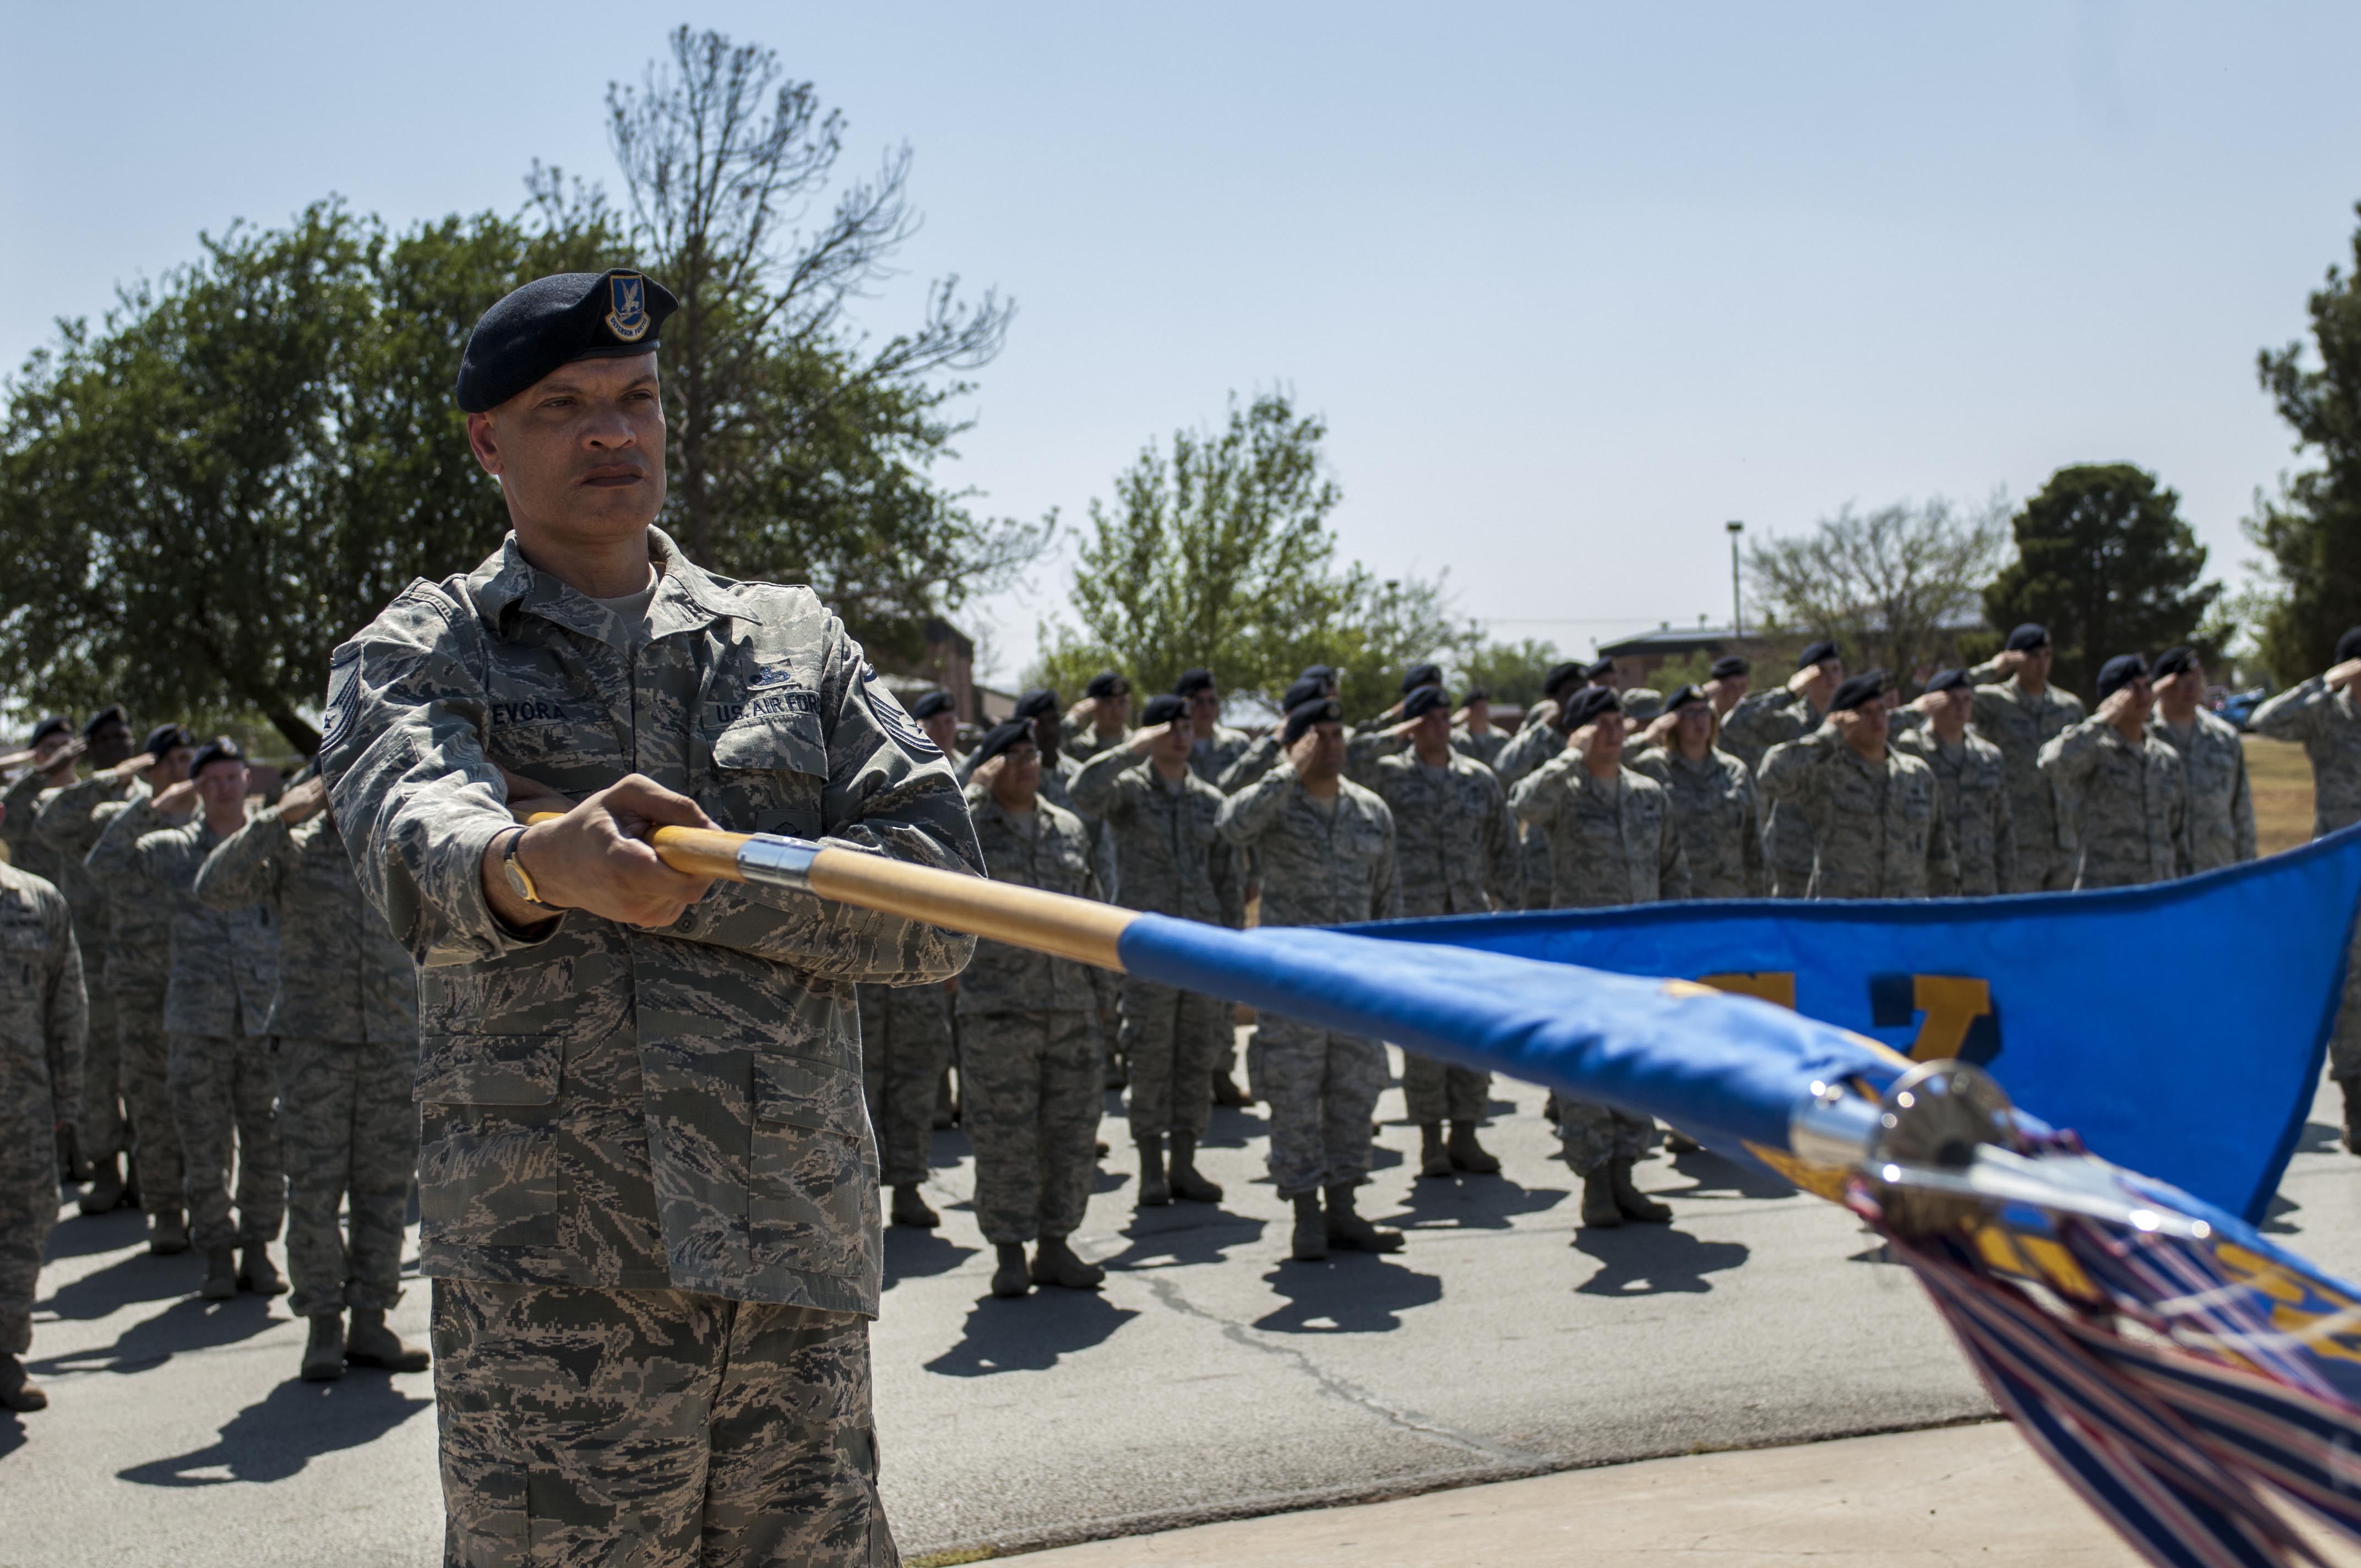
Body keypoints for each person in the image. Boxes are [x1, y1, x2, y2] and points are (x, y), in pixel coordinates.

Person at [317, 267, 982, 1564]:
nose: (612, 433)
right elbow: (410, 837)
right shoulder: (424, 649)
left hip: (788, 1259)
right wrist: (534, 858)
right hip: (555, 1296)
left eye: (636, 398)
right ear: (486, 441)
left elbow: (934, 899)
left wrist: (701, 880)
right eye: (564, 404)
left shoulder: (791, 641)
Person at [194, 767, 429, 1382]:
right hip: (312, 1048)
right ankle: (324, 1323)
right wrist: (278, 817)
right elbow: (212, 886)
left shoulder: (400, 845)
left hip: (391, 1043)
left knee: (383, 1190)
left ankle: (372, 1318)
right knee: (317, 1192)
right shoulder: (292, 852)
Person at [1216, 698, 1404, 1261]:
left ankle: (1343, 1208)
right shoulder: (1277, 804)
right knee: (1295, 1097)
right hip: (1292, 983)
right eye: (1317, 736)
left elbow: (1387, 896)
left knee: (1353, 1093)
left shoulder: (1371, 810)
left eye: (1337, 734)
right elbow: (1231, 824)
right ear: (1296, 744)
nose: (1331, 744)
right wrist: (1286, 768)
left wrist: (1392, 971)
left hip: (1353, 984)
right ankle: (1305, 1215)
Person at [108, 739, 284, 1300]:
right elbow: (103, 864)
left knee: (266, 1144)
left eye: (235, 777)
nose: (227, 788)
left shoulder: (274, 846)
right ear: (198, 789)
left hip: (263, 1021)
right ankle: (216, 1253)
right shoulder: (175, 849)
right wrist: (157, 803)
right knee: (205, 1144)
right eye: (213, 780)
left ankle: (258, 1250)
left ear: (248, 781)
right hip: (197, 1023)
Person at [1510, 687, 1690, 1228]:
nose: (1614, 731)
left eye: (1619, 722)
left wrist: (1676, 935)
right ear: (1582, 731)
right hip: (1581, 956)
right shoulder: (1564, 790)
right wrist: (1570, 755)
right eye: (1601, 724)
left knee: (1633, 1065)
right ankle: (1594, 1183)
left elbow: (1672, 866)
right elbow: (1522, 804)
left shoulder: (1648, 793)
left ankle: (1625, 1176)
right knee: (1586, 1068)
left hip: (1637, 954)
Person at [1071, 693, 1244, 1208]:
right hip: (1147, 949)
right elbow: (1084, 790)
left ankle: (1185, 1164)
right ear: (1149, 736)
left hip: (1200, 949)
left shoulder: (1209, 801)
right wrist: (1133, 748)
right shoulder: (1128, 792)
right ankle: (1150, 1169)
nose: (1182, 734)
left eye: (1187, 725)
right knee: (1149, 1056)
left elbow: (1228, 882)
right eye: (1170, 727)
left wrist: (1232, 949)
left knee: (1196, 1056)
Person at [958, 722, 1111, 1299]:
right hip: (998, 1012)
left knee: (1071, 1135)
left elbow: (1092, 909)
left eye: (1031, 755)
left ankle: (1055, 1243)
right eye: (1011, 757)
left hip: (1071, 1008)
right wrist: (974, 787)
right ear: (992, 765)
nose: (1025, 765)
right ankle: (1008, 1251)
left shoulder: (1067, 827)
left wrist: (1104, 1000)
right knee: (1004, 1137)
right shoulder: (971, 824)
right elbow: (932, 842)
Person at [1367, 685, 1520, 1176]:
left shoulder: (1478, 779)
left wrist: (1511, 906)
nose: (1439, 725)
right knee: (1424, 1036)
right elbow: (1343, 758)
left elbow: (1503, 847)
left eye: (1443, 717)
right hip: (1416, 922)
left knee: (1472, 1032)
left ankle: (1466, 1134)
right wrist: (1392, 731)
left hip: (1470, 922)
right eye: (1427, 719)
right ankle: (1431, 1139)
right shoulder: (1388, 776)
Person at [70, 725, 197, 1254]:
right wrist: (152, 807)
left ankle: (208, 1207)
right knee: (151, 1100)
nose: (180, 772)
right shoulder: (121, 820)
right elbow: (100, 864)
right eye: (170, 762)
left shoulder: (204, 822)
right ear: (150, 768)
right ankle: (165, 1211)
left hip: (202, 986)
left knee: (204, 1105)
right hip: (142, 988)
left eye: (188, 761)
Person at [2253, 628, 2361, 1148]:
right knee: (2351, 989)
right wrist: (2325, 681)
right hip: (2343, 871)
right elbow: (2264, 721)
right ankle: (2356, 1101)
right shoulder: (2325, 713)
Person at [30, 707, 138, 1210]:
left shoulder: (146, 800)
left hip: (144, 956)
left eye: (124, 736)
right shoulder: (71, 803)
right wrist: (97, 779)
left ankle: (147, 1170)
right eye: (108, 738)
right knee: (97, 1069)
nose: (120, 743)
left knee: (143, 1069)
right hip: (89, 957)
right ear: (90, 748)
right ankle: (105, 1169)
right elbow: (46, 822)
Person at [0, 811, 82, 1415]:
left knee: (25, 1220)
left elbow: (66, 1004)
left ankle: (5, 1351)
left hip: (22, 1100)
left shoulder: (37, 900)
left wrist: (68, 1101)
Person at [1758, 673, 1956, 899]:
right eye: (1866, 713)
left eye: (1881, 710)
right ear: (1847, 720)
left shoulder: (1916, 775)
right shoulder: (1826, 772)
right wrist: (1827, 736)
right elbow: (1771, 775)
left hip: (1904, 918)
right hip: (1845, 919)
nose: (1877, 719)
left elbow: (1939, 855)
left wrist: (1946, 916)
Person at [2037, 655, 2190, 890]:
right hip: (2107, 897)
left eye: (2147, 687)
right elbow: (2051, 762)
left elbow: (2179, 837)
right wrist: (2105, 718)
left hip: (2160, 894)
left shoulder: (2166, 759)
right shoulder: (2093, 751)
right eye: (2132, 690)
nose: (2143, 696)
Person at [1721, 641, 1845, 896]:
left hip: (1845, 850)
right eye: (1822, 672)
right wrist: (1788, 692)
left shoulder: (1851, 722)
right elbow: (1734, 725)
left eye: (1836, 669)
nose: (1831, 678)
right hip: (1795, 852)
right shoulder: (1790, 722)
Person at [1971, 624, 2088, 892]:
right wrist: (1994, 668)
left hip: (2064, 840)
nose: (2042, 664)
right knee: (2022, 927)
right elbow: (1951, 693)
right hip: (2017, 840)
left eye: (2047, 655)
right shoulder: (1994, 700)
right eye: (2033, 656)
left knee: (2062, 928)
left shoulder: (2068, 707)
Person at [1629, 684, 1765, 897]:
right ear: (1673, 721)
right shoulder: (1653, 766)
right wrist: (1647, 738)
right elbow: (1606, 762)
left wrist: (1760, 901)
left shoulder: (1734, 770)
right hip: (1677, 899)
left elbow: (1753, 842)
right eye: (1690, 713)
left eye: (1705, 712)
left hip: (1729, 897)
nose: (1699, 720)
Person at [1893, 669, 2016, 896]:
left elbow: (2003, 828)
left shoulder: (1988, 757)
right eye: (1952, 701)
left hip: (1981, 884)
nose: (1961, 708)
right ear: (1933, 704)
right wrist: (1916, 711)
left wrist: (2006, 889)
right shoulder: (1911, 748)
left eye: (1967, 700)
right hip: (1929, 884)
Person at [2147, 646, 2254, 874]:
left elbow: (2242, 812)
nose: (2191, 688)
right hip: (2162, 876)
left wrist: (2248, 872)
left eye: (2197, 680)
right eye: (2182, 681)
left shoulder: (2224, 738)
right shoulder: (2143, 735)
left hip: (2216, 871)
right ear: (2162, 686)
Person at [0, 716, 79, 885]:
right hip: (35, 902)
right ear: (35, 755)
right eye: (51, 747)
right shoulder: (22, 799)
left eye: (66, 746)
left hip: (85, 907)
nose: (61, 754)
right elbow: (5, 824)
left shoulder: (90, 795)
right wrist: (43, 770)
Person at [1173, 668, 1252, 787]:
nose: (1207, 708)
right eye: (1198, 702)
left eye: (1212, 701)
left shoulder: (1237, 744)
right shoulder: (1170, 744)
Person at [1061, 671, 1131, 761]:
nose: (1116, 710)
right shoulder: (1078, 747)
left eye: (1121, 702)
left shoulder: (1139, 744)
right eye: (1108, 703)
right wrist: (1071, 719)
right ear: (1093, 706)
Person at [1450, 687, 1507, 770]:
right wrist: (1455, 720)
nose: (1482, 713)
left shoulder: (1501, 738)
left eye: (1484, 708)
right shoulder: (1457, 739)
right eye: (1477, 709)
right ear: (1467, 712)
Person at [909, 688, 962, 765]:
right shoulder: (911, 769)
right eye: (935, 723)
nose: (943, 731)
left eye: (948, 722)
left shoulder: (967, 768)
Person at [1704, 656, 1751, 727]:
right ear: (1716, 688)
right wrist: (1702, 696)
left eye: (1743, 686)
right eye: (1732, 687)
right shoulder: (1705, 717)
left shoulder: (1751, 716)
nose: (1739, 692)